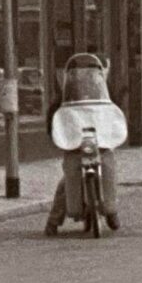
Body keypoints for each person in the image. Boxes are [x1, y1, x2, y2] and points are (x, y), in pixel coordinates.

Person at [44, 50, 120, 236]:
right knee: (69, 178)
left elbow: (113, 114)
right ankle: (53, 220)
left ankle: (111, 210)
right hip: (76, 142)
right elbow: (57, 111)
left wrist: (116, 128)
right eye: (104, 68)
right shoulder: (70, 93)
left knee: (109, 168)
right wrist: (56, 131)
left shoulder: (105, 95)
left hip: (100, 141)